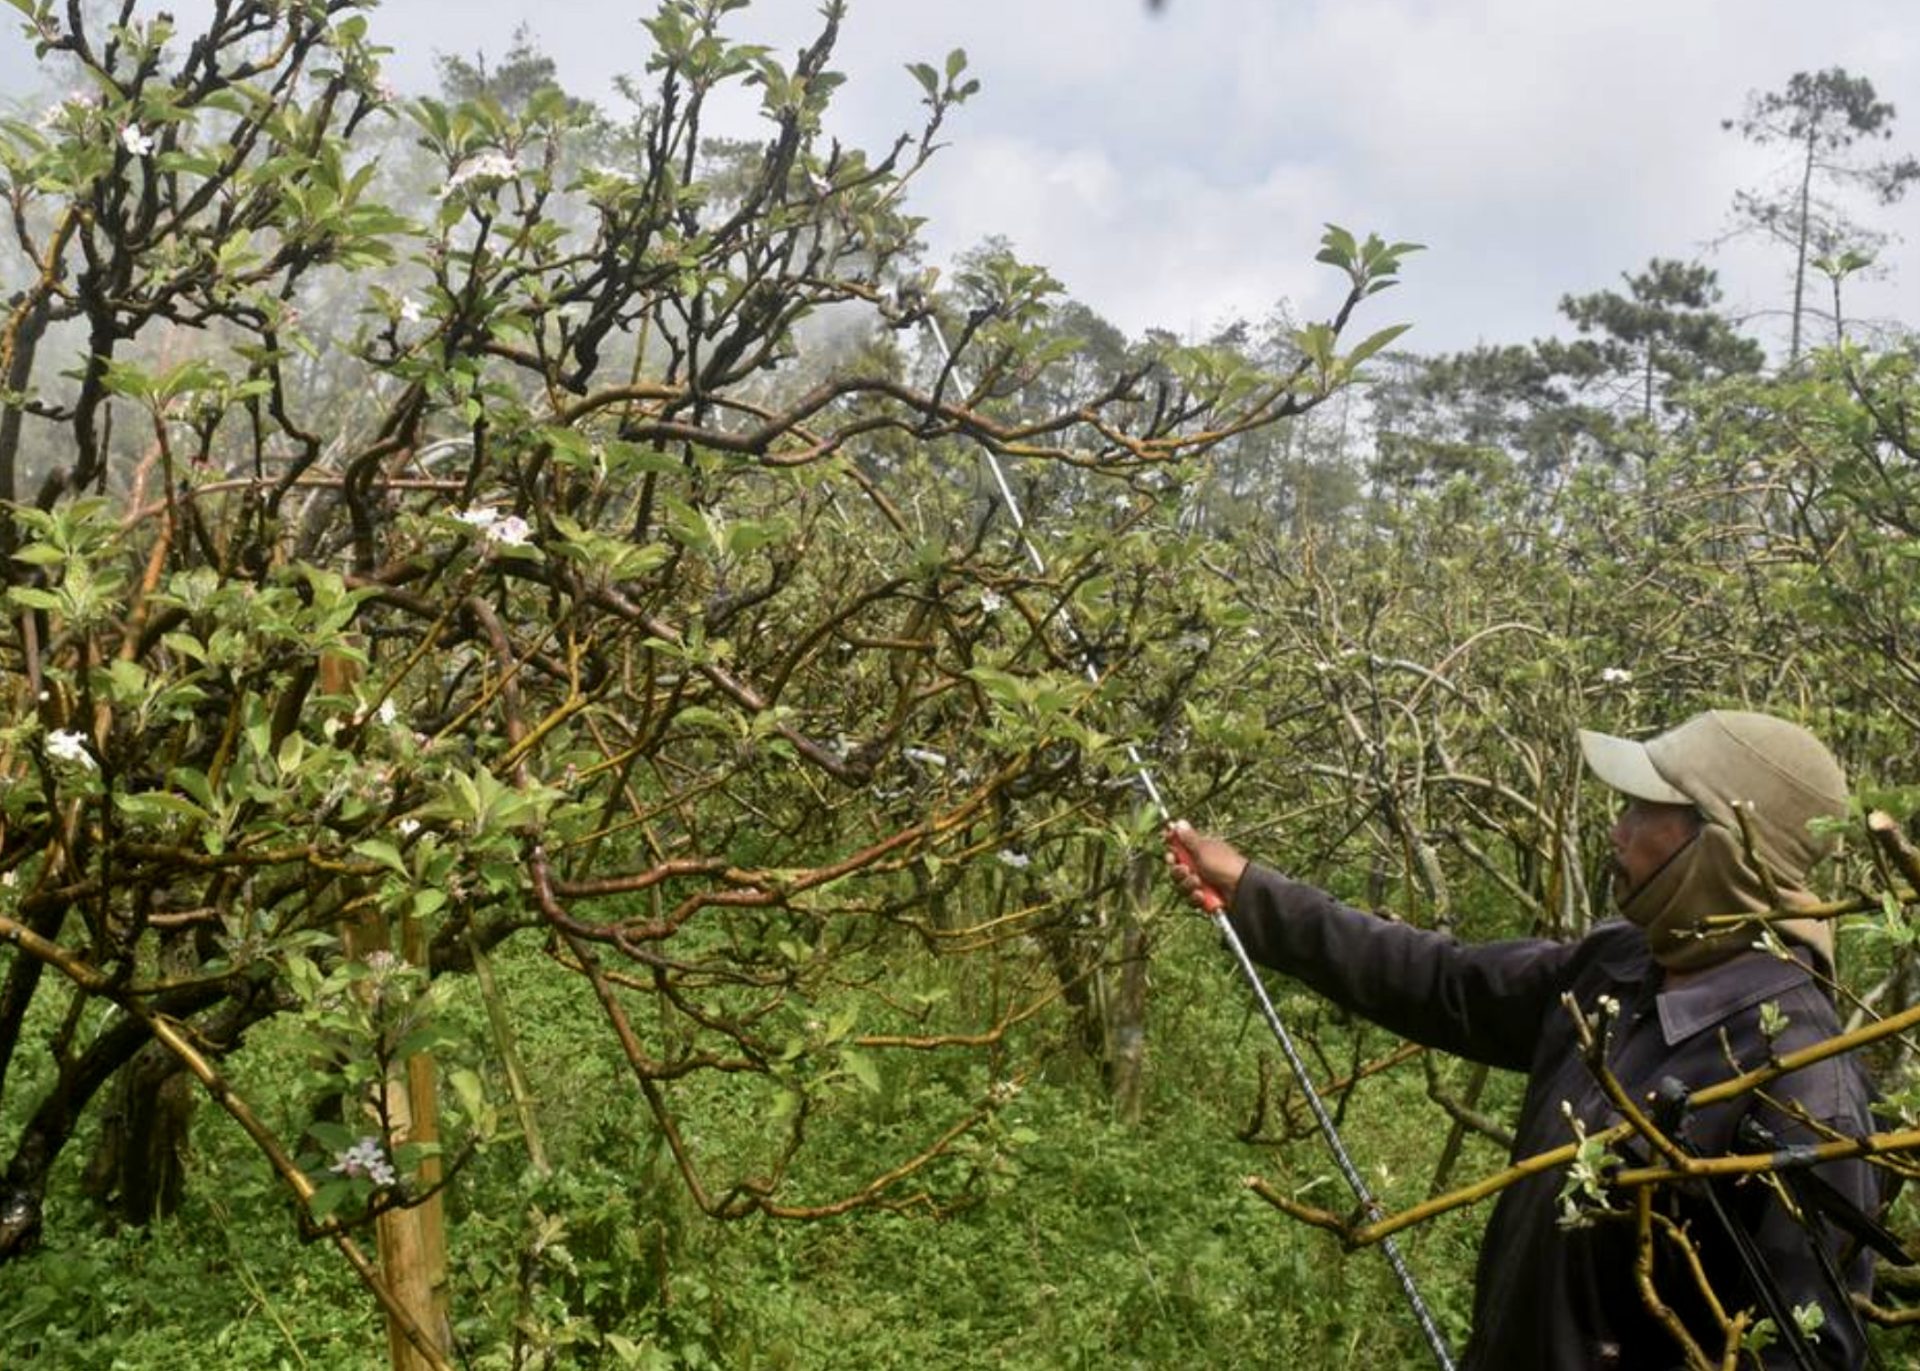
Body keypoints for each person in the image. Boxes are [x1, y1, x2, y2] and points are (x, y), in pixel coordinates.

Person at [1168, 710, 1882, 1370]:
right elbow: (1443, 981)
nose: (1618, 830)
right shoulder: (1621, 963)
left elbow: (1806, 1350)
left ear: (1719, 846)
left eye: (1642, 810)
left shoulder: (1801, 1085)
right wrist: (1255, 891)